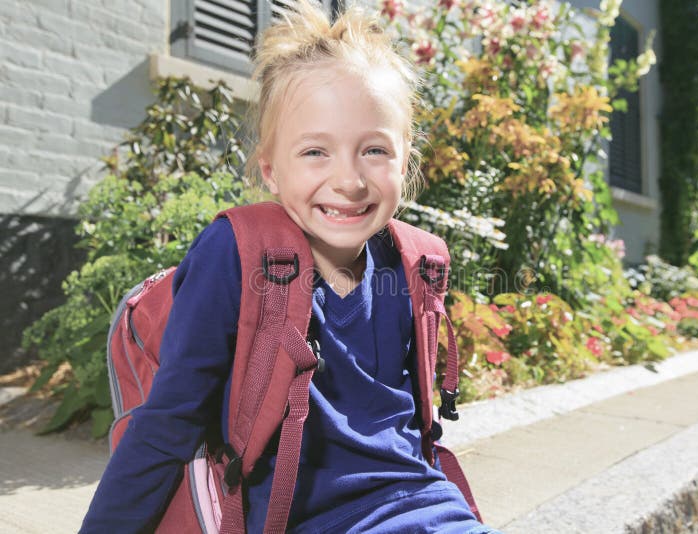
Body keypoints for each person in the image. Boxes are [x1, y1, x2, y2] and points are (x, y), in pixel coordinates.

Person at [81, 1, 496, 532]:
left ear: (405, 159)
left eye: (373, 150)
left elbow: (408, 428)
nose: (349, 180)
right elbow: (168, 423)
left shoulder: (412, 266)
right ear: (271, 170)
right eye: (315, 153)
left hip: (423, 506)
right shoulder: (237, 255)